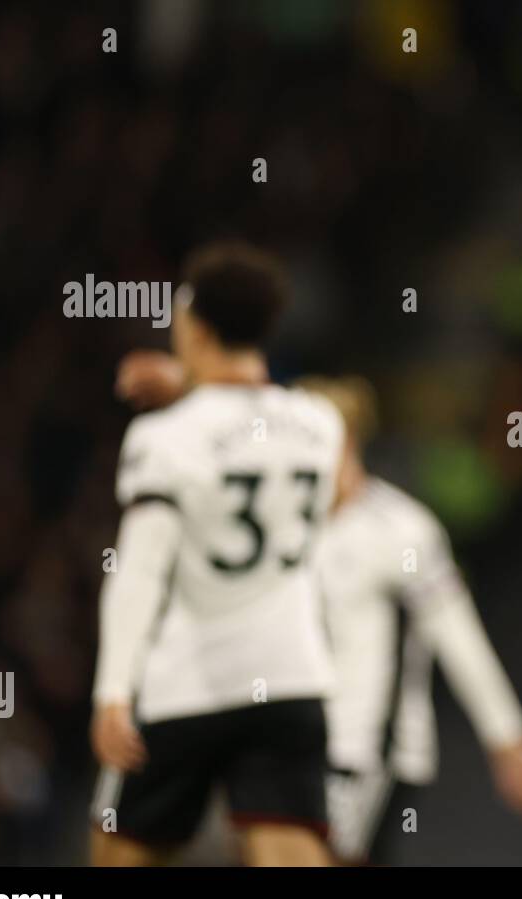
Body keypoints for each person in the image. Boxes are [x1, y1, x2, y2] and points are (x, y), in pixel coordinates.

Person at [90, 241, 342, 866]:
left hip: (187, 684)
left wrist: (112, 691)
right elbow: (253, 415)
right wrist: (188, 386)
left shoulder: (160, 437)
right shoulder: (322, 424)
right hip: (291, 678)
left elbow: (139, 571)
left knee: (117, 856)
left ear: (196, 329)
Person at [298, 376, 522, 864]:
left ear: (348, 439)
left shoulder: (402, 529)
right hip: (298, 745)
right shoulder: (290, 527)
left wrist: (507, 738)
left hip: (369, 750)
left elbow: (456, 633)